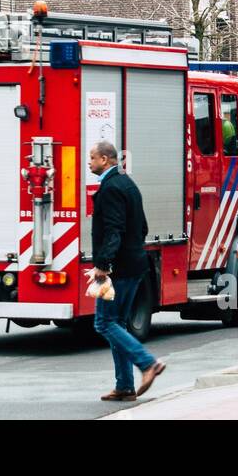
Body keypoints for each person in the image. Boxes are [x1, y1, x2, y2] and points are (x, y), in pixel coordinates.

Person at [88, 141, 165, 401]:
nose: (90, 163)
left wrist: (103, 264)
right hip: (135, 264)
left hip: (117, 270)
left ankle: (147, 364)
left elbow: (113, 230)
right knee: (117, 322)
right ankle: (125, 386)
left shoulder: (110, 188)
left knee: (104, 322)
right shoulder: (127, 182)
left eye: (93, 158)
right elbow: (141, 226)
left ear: (106, 160)